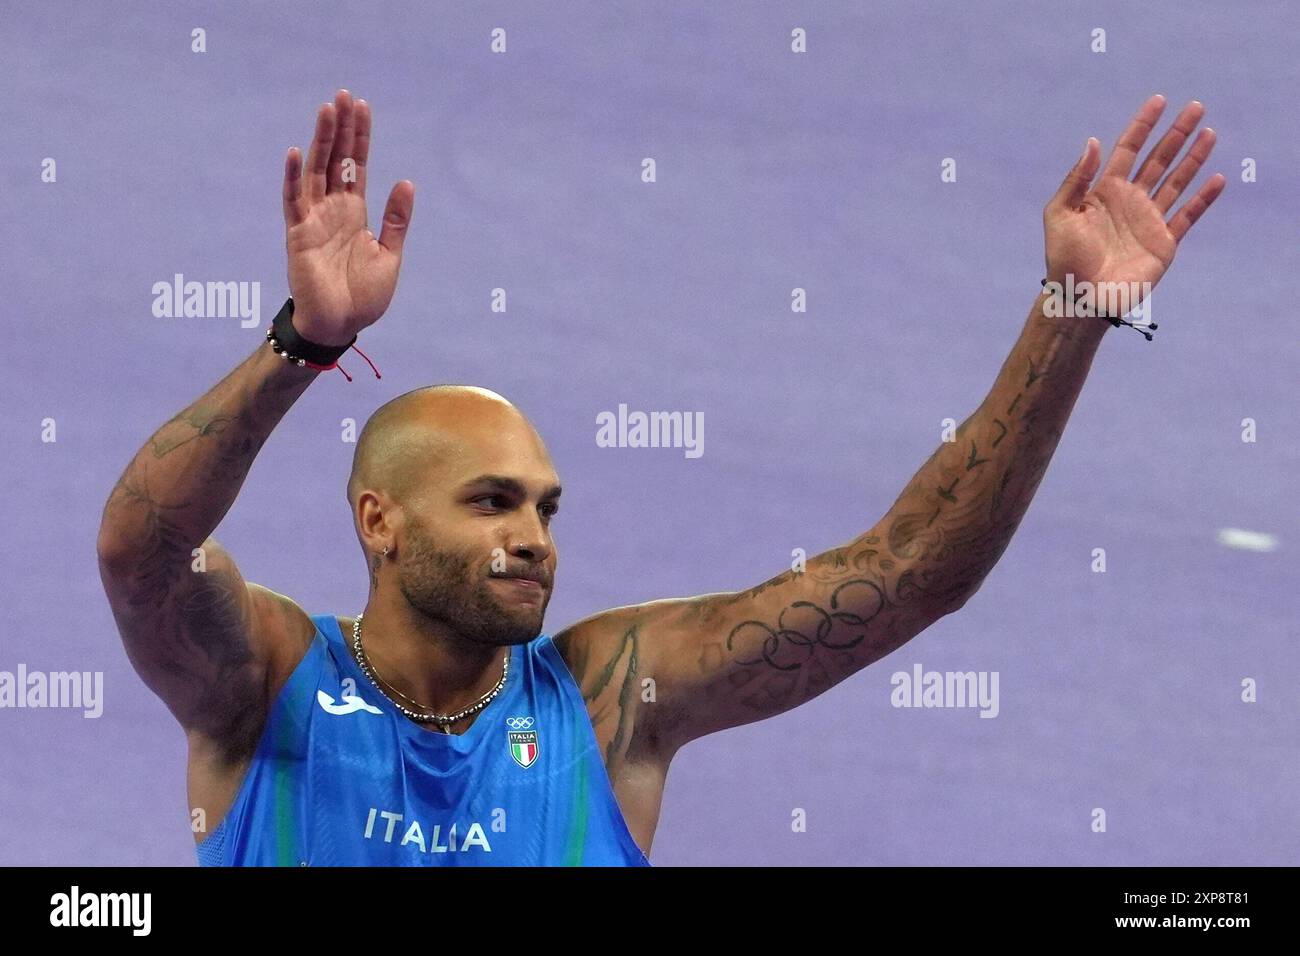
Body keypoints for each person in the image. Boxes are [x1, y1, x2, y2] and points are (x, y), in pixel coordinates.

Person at [96, 89, 1224, 866]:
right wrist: (304, 345)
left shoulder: (610, 698)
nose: (534, 533)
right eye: (490, 500)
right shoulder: (268, 684)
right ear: (378, 519)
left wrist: (1067, 314)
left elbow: (909, 572)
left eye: (544, 504)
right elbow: (141, 550)